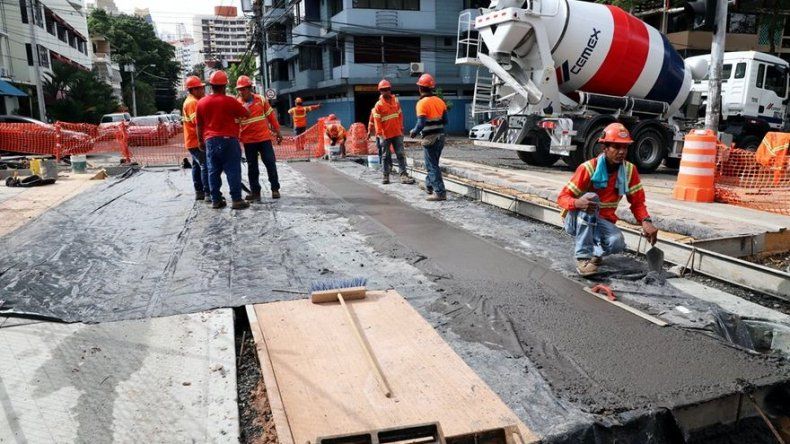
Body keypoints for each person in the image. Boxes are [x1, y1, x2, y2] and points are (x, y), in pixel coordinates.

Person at [557, 123, 659, 276]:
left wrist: (646, 221)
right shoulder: (588, 168)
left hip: (602, 221)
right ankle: (583, 258)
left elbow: (637, 202)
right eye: (616, 147)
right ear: (604, 148)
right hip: (576, 219)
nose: (621, 152)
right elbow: (562, 197)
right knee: (592, 197)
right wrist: (577, 203)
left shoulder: (630, 170)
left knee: (616, 242)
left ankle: (596, 255)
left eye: (625, 147)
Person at [195, 70, 251, 210]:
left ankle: (216, 200)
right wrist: (243, 106)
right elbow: (246, 114)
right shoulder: (231, 101)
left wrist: (200, 141)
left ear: (211, 85)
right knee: (233, 170)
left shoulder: (201, 103)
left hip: (210, 141)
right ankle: (236, 200)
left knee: (213, 171)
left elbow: (199, 124)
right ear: (225, 85)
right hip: (229, 141)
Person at [236, 75, 283, 201]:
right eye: (239, 89)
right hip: (248, 141)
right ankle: (255, 192)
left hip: (264, 139)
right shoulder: (237, 104)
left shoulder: (261, 100)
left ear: (250, 88)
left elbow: (271, 117)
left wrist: (278, 132)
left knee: (270, 163)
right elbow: (235, 123)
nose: (241, 92)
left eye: (244, 89)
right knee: (252, 167)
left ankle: (275, 189)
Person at [409, 73, 448, 201]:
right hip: (440, 136)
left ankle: (440, 192)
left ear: (420, 88)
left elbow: (420, 123)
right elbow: (445, 120)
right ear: (432, 88)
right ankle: (429, 185)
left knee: (431, 166)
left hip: (430, 138)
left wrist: (414, 132)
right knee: (433, 163)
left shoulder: (421, 103)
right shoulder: (440, 101)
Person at [373, 79, 414, 185]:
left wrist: (401, 127)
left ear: (390, 90)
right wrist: (379, 134)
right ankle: (385, 176)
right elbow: (377, 121)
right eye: (383, 90)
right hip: (385, 135)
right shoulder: (378, 105)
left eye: (386, 89)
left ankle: (403, 175)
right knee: (386, 156)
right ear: (380, 91)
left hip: (397, 133)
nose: (385, 91)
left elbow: (400, 115)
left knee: (400, 154)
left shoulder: (396, 101)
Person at [182, 75, 209, 202]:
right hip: (196, 141)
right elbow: (198, 122)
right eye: (200, 89)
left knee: (197, 166)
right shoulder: (193, 103)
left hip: (192, 140)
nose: (203, 91)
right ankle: (207, 192)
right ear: (192, 90)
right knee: (205, 165)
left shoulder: (190, 100)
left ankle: (199, 192)